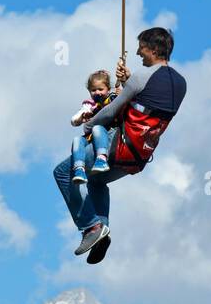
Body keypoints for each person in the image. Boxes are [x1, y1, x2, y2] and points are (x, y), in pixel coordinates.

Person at [52, 27, 187, 265]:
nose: (137, 52)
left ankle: (90, 226)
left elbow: (112, 110)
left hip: (118, 146)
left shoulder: (140, 78)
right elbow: (147, 100)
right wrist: (126, 82)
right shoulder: (180, 83)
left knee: (63, 172)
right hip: (138, 157)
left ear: (154, 49)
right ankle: (101, 232)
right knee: (97, 179)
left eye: (142, 48)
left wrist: (87, 126)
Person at [69, 69, 115, 185]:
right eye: (93, 90)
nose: (97, 92)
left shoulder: (111, 98)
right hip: (91, 137)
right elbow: (75, 120)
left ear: (108, 89)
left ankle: (101, 158)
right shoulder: (90, 105)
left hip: (106, 130)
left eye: (101, 89)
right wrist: (82, 117)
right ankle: (79, 169)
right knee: (77, 140)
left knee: (96, 128)